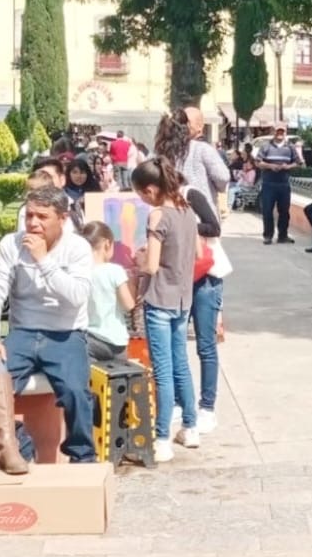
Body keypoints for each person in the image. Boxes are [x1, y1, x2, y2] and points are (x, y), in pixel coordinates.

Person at [0, 187, 97, 464]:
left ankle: (82, 457)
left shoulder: (77, 248)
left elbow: (77, 296)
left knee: (76, 391)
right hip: (23, 332)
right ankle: (19, 445)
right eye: (29, 215)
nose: (33, 223)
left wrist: (44, 260)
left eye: (42, 217)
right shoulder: (11, 244)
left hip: (66, 333)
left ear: (62, 219)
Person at [131, 158, 200, 462]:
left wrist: (139, 260)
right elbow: (198, 252)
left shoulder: (158, 216)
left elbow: (151, 265)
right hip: (183, 299)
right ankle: (190, 427)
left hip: (159, 299)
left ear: (150, 190)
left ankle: (162, 438)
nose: (142, 200)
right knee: (180, 365)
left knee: (162, 371)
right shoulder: (187, 211)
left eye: (141, 194)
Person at [182, 182, 227, 435]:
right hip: (178, 278)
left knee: (206, 345)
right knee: (175, 345)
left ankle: (207, 408)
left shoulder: (190, 195)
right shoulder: (154, 206)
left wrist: (183, 226)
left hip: (205, 277)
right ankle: (180, 402)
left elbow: (213, 227)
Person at [156, 107, 230, 218]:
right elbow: (222, 177)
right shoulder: (203, 149)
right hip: (201, 215)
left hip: (171, 213)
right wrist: (218, 188)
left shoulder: (162, 150)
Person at [81, 221, 137, 361]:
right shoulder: (115, 271)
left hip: (90, 339)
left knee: (91, 374)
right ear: (107, 244)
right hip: (116, 340)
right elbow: (129, 305)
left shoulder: (80, 272)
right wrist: (133, 283)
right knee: (120, 374)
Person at [256, 123, 303, 244]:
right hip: (268, 183)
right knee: (267, 210)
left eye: (282, 131)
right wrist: (270, 166)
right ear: (273, 132)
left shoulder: (290, 147)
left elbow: (298, 163)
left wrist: (288, 167)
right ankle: (268, 236)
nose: (280, 134)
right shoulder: (266, 146)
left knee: (284, 211)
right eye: (278, 131)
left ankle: (283, 235)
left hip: (284, 184)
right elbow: (257, 162)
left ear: (285, 133)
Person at [17, 159, 83, 233]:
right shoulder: (27, 210)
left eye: (48, 177)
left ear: (62, 179)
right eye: (40, 177)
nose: (45, 183)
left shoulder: (74, 206)